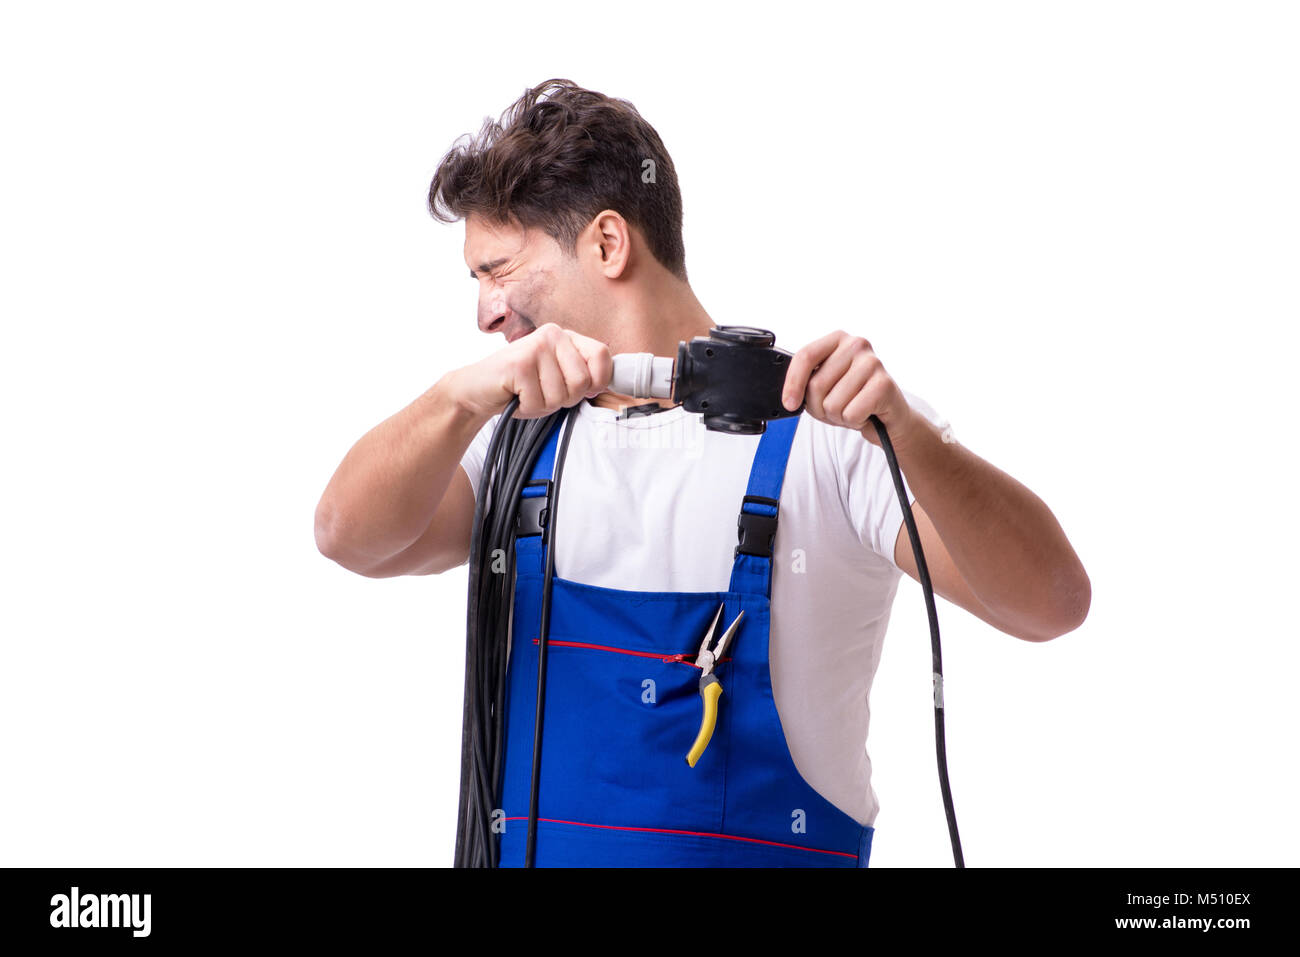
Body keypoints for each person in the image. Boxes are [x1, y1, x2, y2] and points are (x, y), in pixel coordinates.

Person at [314, 78, 1091, 866]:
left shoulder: (827, 431)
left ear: (609, 244)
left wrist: (912, 439)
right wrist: (456, 397)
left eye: (498, 269)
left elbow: (1051, 603)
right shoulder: (512, 447)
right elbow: (349, 536)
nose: (485, 313)